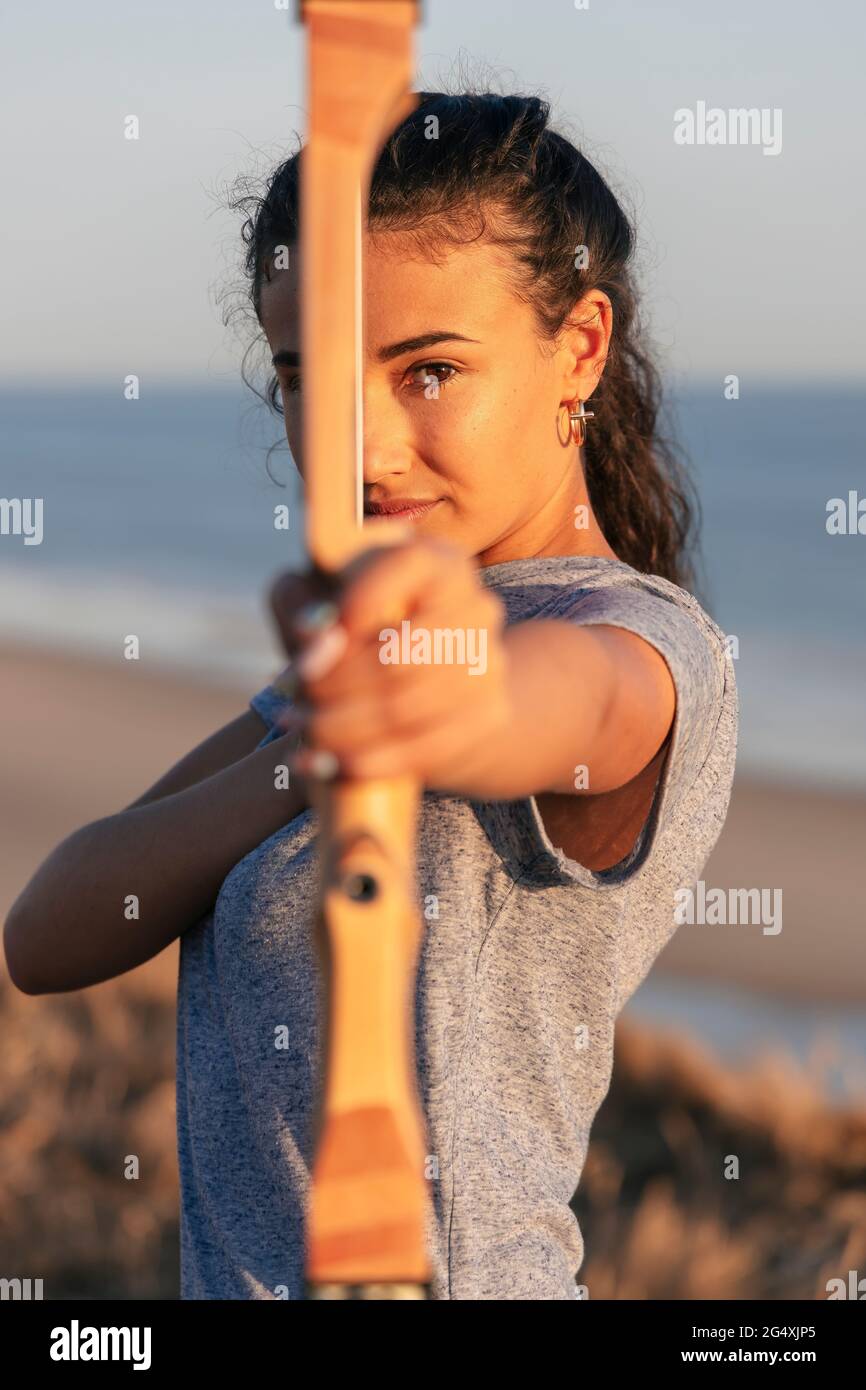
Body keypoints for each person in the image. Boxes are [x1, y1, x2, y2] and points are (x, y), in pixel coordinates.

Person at [4, 93, 737, 1301]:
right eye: (309, 378)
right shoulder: (332, 688)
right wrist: (311, 745)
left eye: (428, 370)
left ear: (581, 347)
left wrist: (428, 684)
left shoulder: (642, 644)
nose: (362, 446)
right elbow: (49, 932)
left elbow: (536, 706)